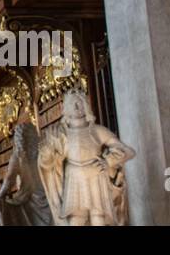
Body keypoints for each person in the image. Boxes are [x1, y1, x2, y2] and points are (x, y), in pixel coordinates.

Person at [37, 88, 135, 225]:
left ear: (86, 106)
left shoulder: (97, 131)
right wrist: (47, 153)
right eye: (73, 104)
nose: (77, 107)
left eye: (80, 103)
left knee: (98, 218)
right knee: (76, 219)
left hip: (96, 178)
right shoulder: (61, 135)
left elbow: (128, 151)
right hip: (74, 180)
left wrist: (108, 161)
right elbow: (47, 162)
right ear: (65, 109)